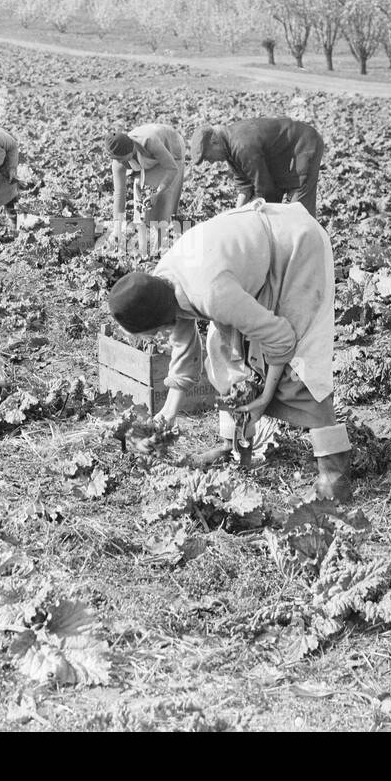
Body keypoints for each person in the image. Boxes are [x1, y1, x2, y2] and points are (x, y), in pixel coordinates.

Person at [105, 199, 352, 502]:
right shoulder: (161, 285)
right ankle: (231, 447)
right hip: (250, 257)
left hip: (296, 247)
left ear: (157, 321)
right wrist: (168, 413)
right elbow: (183, 343)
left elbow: (281, 339)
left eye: (153, 332)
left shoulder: (209, 291)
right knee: (221, 350)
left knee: (302, 363)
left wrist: (264, 397)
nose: (158, 336)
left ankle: (334, 472)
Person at [189, 117, 324, 216]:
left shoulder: (242, 146)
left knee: (298, 212)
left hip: (304, 146)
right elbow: (245, 187)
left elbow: (264, 190)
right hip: (282, 161)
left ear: (214, 142)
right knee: (272, 214)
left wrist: (250, 214)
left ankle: (312, 249)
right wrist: (234, 216)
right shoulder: (229, 148)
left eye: (208, 157)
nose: (211, 162)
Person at [107, 124, 187, 227]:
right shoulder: (118, 161)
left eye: (121, 158)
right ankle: (142, 225)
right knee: (141, 188)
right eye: (116, 159)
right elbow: (119, 192)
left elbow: (172, 169)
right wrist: (117, 226)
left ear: (131, 150)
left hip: (171, 147)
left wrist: (157, 193)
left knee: (161, 196)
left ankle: (164, 228)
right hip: (150, 156)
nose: (119, 162)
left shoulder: (150, 142)